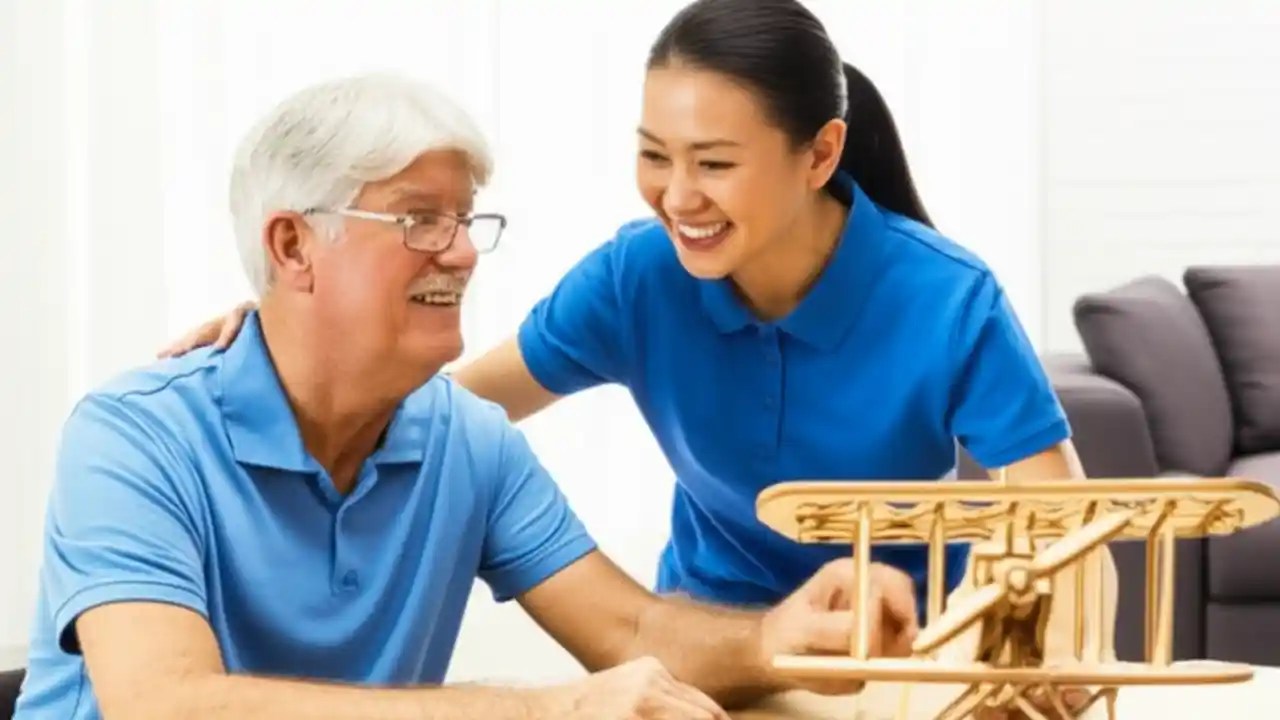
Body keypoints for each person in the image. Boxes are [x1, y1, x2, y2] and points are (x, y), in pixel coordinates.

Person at [164, 0, 1114, 643]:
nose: (677, 196)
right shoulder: (639, 279)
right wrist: (297, 326)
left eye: (715, 162)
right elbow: (439, 408)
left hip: (903, 652)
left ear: (821, 154)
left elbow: (1066, 531)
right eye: (656, 155)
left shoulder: (945, 299)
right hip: (716, 646)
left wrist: (1056, 661)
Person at [14, 72, 922, 720]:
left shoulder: (467, 439)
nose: (460, 251)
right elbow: (165, 703)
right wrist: (546, 709)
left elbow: (632, 628)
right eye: (419, 219)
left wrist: (774, 637)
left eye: (464, 218)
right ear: (293, 248)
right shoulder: (133, 436)